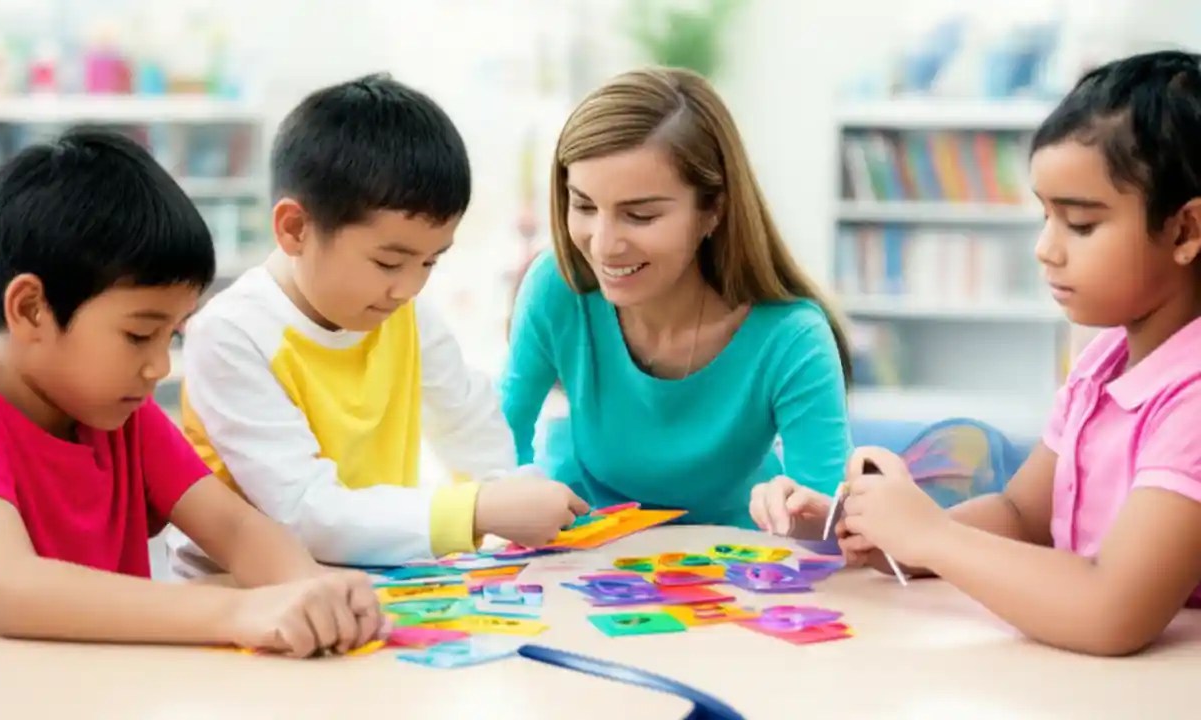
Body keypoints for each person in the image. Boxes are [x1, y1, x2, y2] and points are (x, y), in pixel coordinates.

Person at [784, 50, 1201, 656]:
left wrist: (933, 539)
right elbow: (1021, 515)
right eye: (1045, 216)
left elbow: (1113, 612)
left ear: (1186, 231)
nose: (1045, 249)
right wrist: (898, 535)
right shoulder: (1104, 361)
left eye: (1080, 225)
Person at [0, 129, 383, 657]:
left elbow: (235, 529)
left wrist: (310, 590)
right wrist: (240, 612)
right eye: (139, 335)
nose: (159, 366)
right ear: (31, 309)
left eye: (173, 335)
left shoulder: (123, 419)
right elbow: (10, 589)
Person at [167, 74, 587, 576]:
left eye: (430, 263)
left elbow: (470, 426)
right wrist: (478, 509)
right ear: (295, 229)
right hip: (243, 595)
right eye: (390, 263)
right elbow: (302, 511)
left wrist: (517, 493)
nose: (409, 287)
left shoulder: (404, 314)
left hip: (373, 582)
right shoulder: (231, 335)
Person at [501, 67, 853, 529]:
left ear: (713, 210)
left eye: (640, 215)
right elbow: (496, 441)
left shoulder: (793, 338)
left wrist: (805, 517)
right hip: (577, 548)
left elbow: (832, 527)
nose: (603, 245)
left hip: (735, 567)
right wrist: (506, 504)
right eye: (584, 206)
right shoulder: (558, 286)